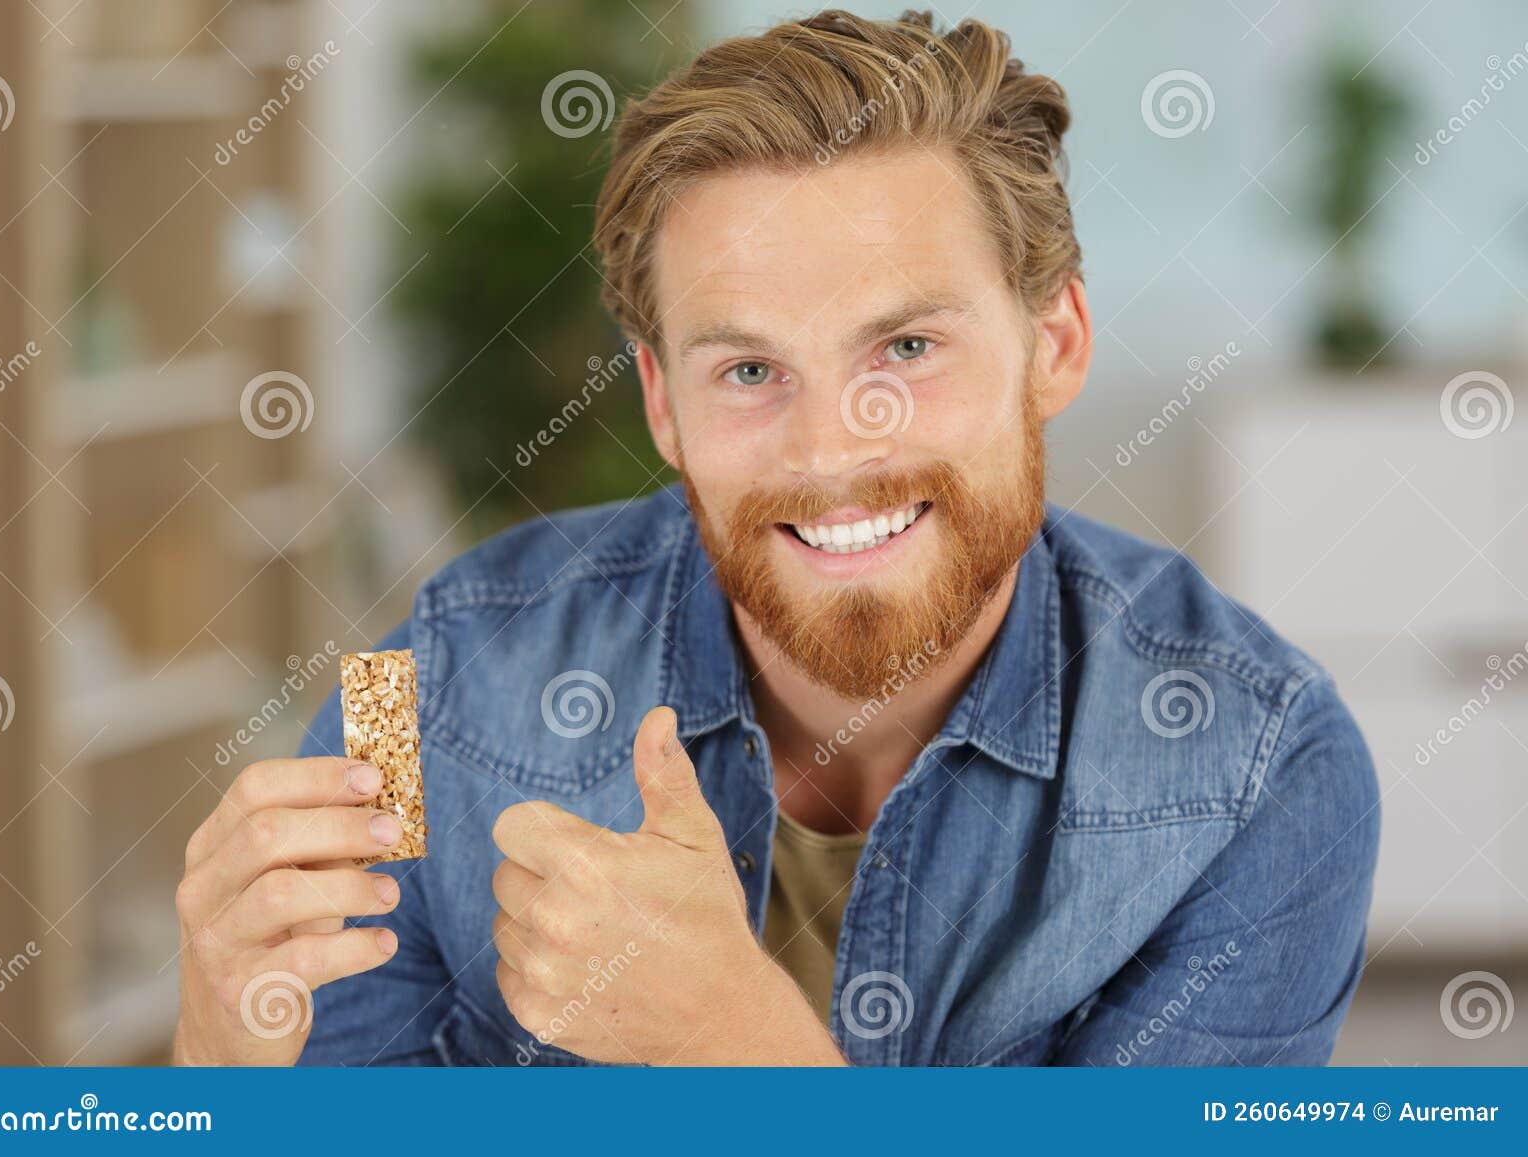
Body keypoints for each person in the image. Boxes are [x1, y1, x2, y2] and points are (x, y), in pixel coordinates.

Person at [173, 8, 1379, 1067]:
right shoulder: (409, 681)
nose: (829, 450)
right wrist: (220, 1058)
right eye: (749, 368)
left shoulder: (1269, 767)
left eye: (905, 348)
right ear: (661, 402)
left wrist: (730, 1041)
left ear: (1053, 342)